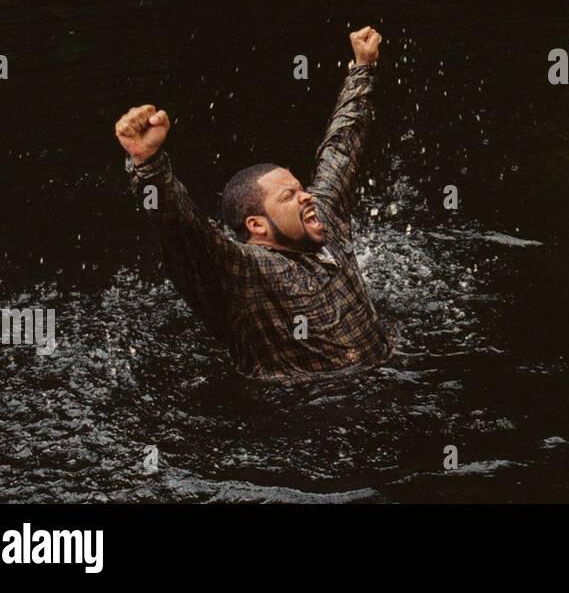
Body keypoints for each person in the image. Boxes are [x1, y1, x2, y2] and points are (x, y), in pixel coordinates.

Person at [115, 26, 391, 381]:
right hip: (317, 412)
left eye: (300, 188)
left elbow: (342, 146)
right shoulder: (247, 273)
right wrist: (148, 164)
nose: (306, 196)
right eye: (288, 196)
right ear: (257, 225)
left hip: (388, 376)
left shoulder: (323, 219)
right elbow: (186, 230)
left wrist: (362, 68)